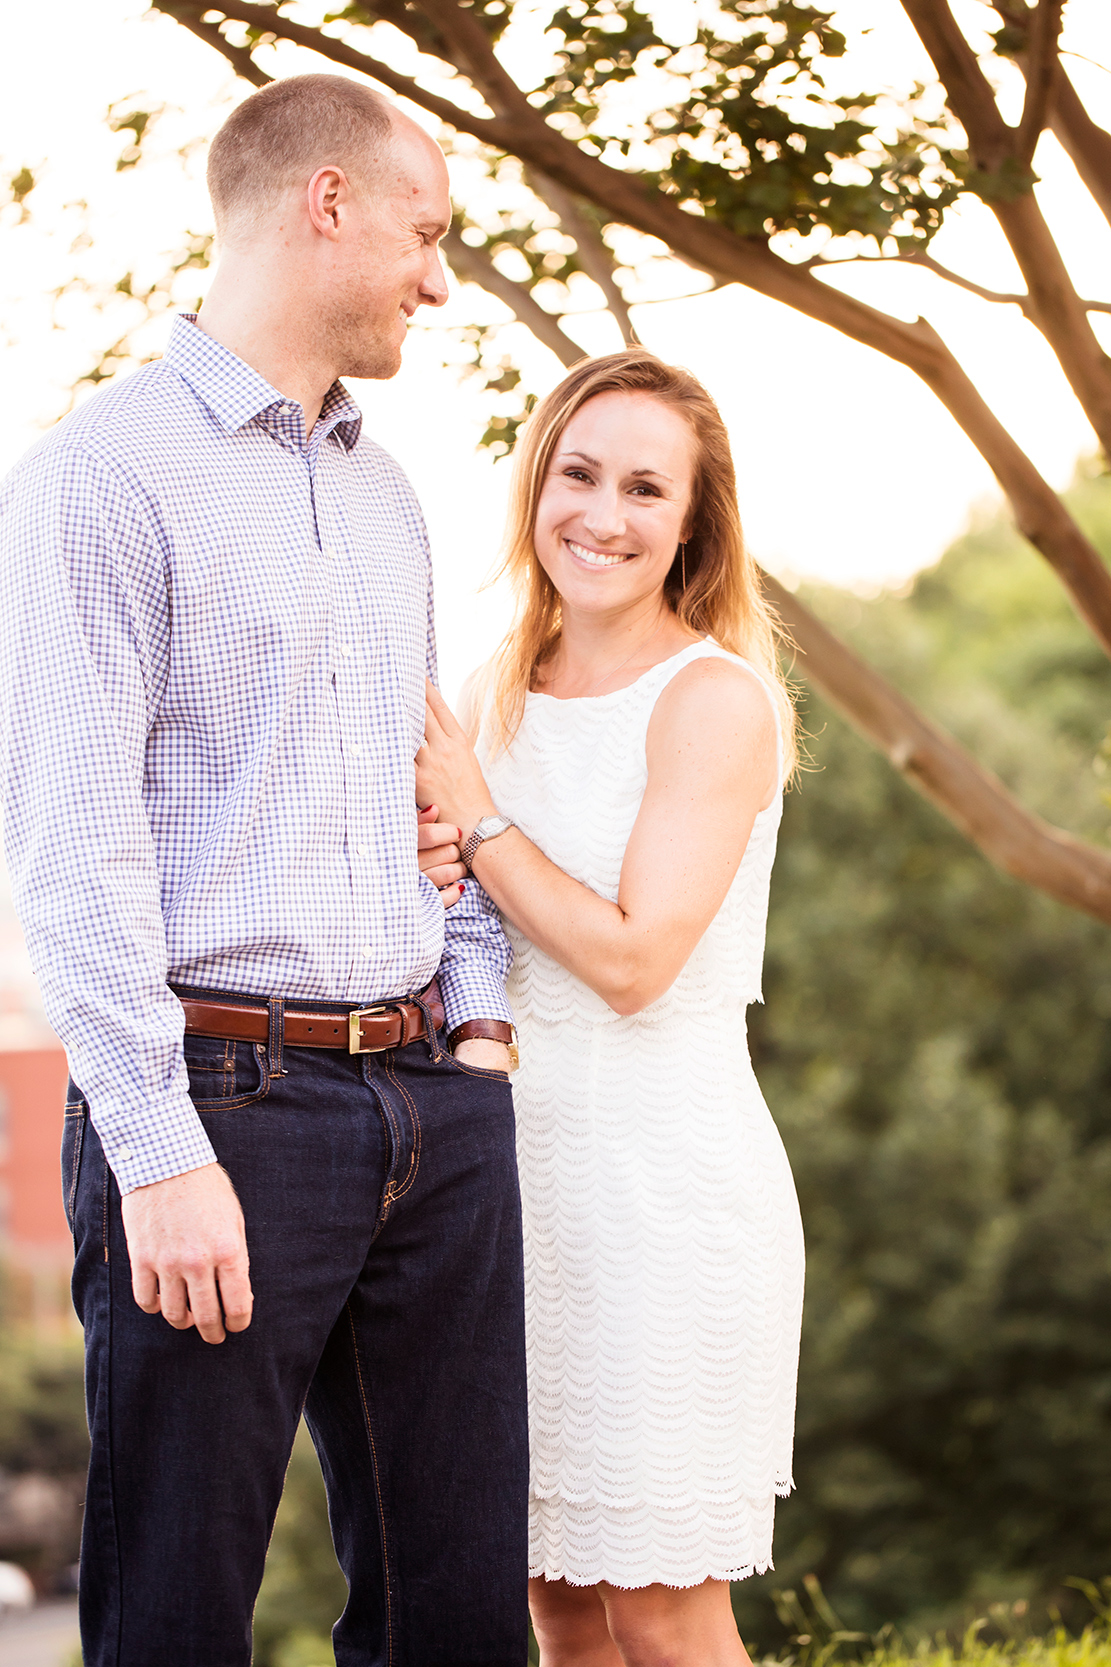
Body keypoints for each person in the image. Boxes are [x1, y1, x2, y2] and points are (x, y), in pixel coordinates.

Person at [0, 75, 528, 1667]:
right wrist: (158, 1155)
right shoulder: (104, 476)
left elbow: (433, 786)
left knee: (457, 1622)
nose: (439, 279)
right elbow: (70, 838)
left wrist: (482, 1031)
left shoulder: (384, 491)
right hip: (220, 1111)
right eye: (424, 234)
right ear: (326, 205)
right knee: (174, 1616)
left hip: (431, 1100)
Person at [415, 349, 806, 1666]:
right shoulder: (490, 691)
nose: (604, 513)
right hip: (514, 1191)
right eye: (578, 473)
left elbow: (636, 962)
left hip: (665, 1188)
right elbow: (466, 925)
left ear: (693, 520)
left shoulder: (713, 701)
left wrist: (473, 817)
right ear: (536, 487)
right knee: (560, 1605)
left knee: (660, 1607)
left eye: (647, 487)